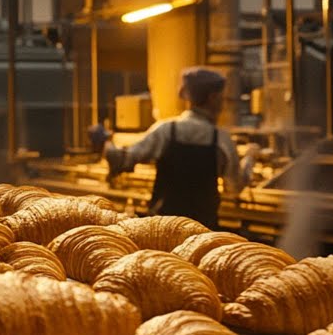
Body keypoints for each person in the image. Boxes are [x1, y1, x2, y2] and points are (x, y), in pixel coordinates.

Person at [104, 67, 254, 229]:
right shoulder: (221, 139)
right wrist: (250, 157)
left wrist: (106, 144)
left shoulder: (166, 130)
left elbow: (124, 159)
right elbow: (234, 187)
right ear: (212, 97)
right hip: (201, 232)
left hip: (161, 228)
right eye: (221, 97)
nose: (223, 102)